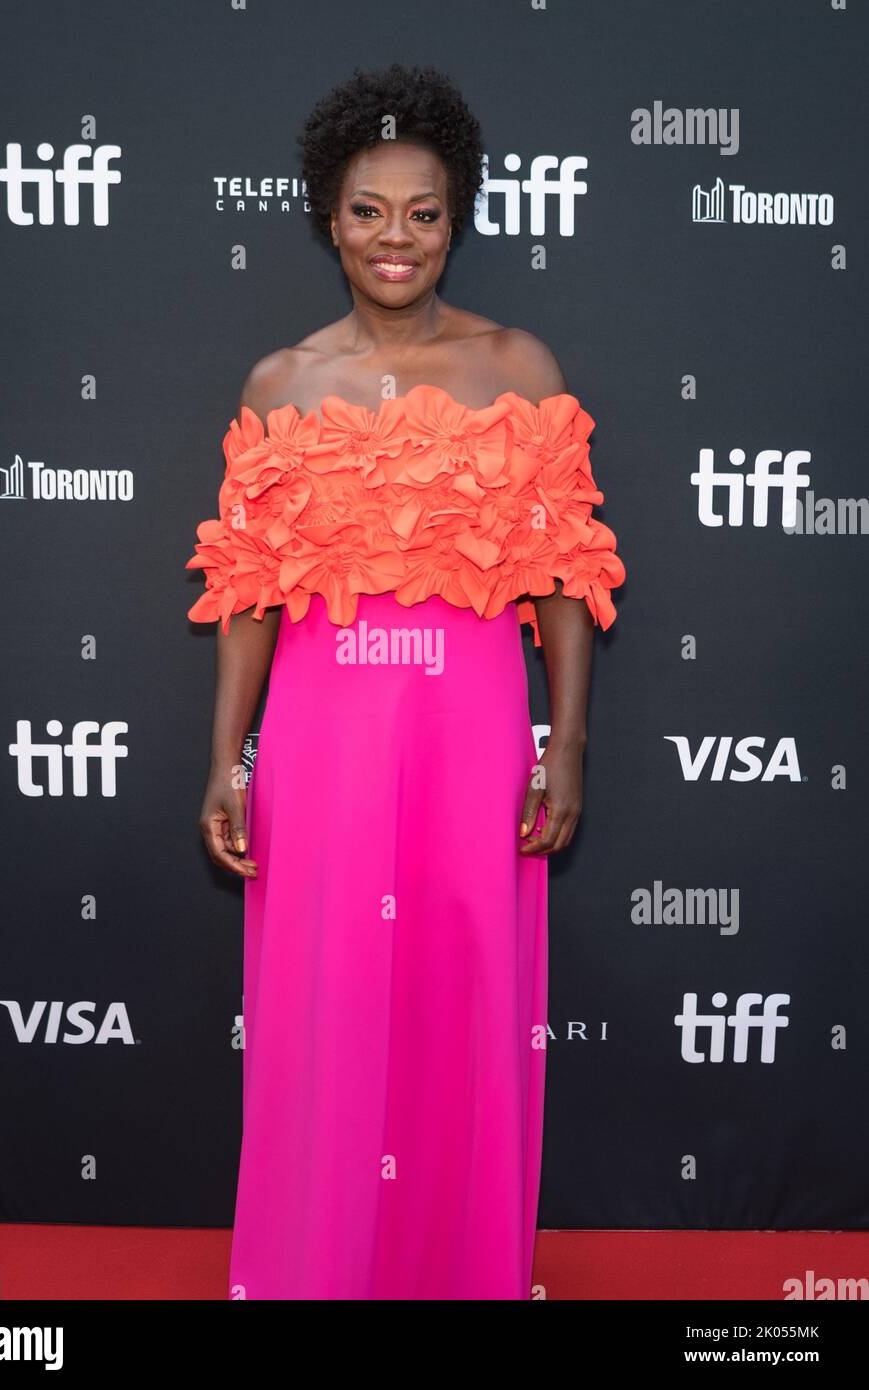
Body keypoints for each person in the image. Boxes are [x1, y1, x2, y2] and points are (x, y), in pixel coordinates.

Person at [185, 62, 625, 1300]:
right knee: (324, 1003)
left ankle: (461, 1268)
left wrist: (568, 743)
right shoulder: (281, 384)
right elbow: (249, 596)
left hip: (474, 722)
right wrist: (229, 756)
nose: (397, 238)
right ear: (330, 215)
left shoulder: (520, 366)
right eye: (370, 210)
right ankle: (314, 1270)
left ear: (458, 219)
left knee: (466, 998)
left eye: (423, 213)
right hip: (323, 730)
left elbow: (562, 572)